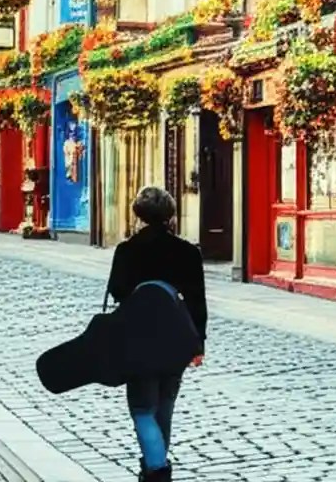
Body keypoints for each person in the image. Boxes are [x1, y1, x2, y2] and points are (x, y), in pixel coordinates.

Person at [106, 186, 207, 482]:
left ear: (137, 214)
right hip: (176, 338)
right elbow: (197, 301)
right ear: (170, 215)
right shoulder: (187, 252)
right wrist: (198, 342)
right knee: (165, 405)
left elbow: (117, 291)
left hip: (137, 338)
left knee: (141, 407)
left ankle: (157, 468)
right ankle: (154, 465)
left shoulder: (127, 250)